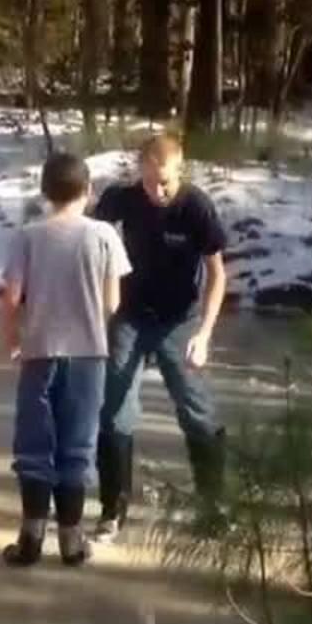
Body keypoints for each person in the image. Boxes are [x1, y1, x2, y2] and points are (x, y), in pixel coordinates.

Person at [91, 134, 229, 542]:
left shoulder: (196, 206)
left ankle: (212, 507)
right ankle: (112, 511)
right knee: (114, 410)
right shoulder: (122, 199)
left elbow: (217, 274)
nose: (158, 190)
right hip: (129, 316)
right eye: (150, 181)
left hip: (180, 321)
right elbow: (91, 246)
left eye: (165, 181)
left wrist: (204, 333)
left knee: (198, 411)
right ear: (140, 171)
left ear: (179, 169)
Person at [0, 153, 130, 567]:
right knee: (77, 445)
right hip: (89, 354)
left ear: (44, 193)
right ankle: (72, 541)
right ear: (89, 192)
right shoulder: (104, 234)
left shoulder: (28, 236)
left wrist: (12, 341)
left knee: (35, 445)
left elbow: (11, 296)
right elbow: (113, 301)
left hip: (39, 352)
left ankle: (30, 538)